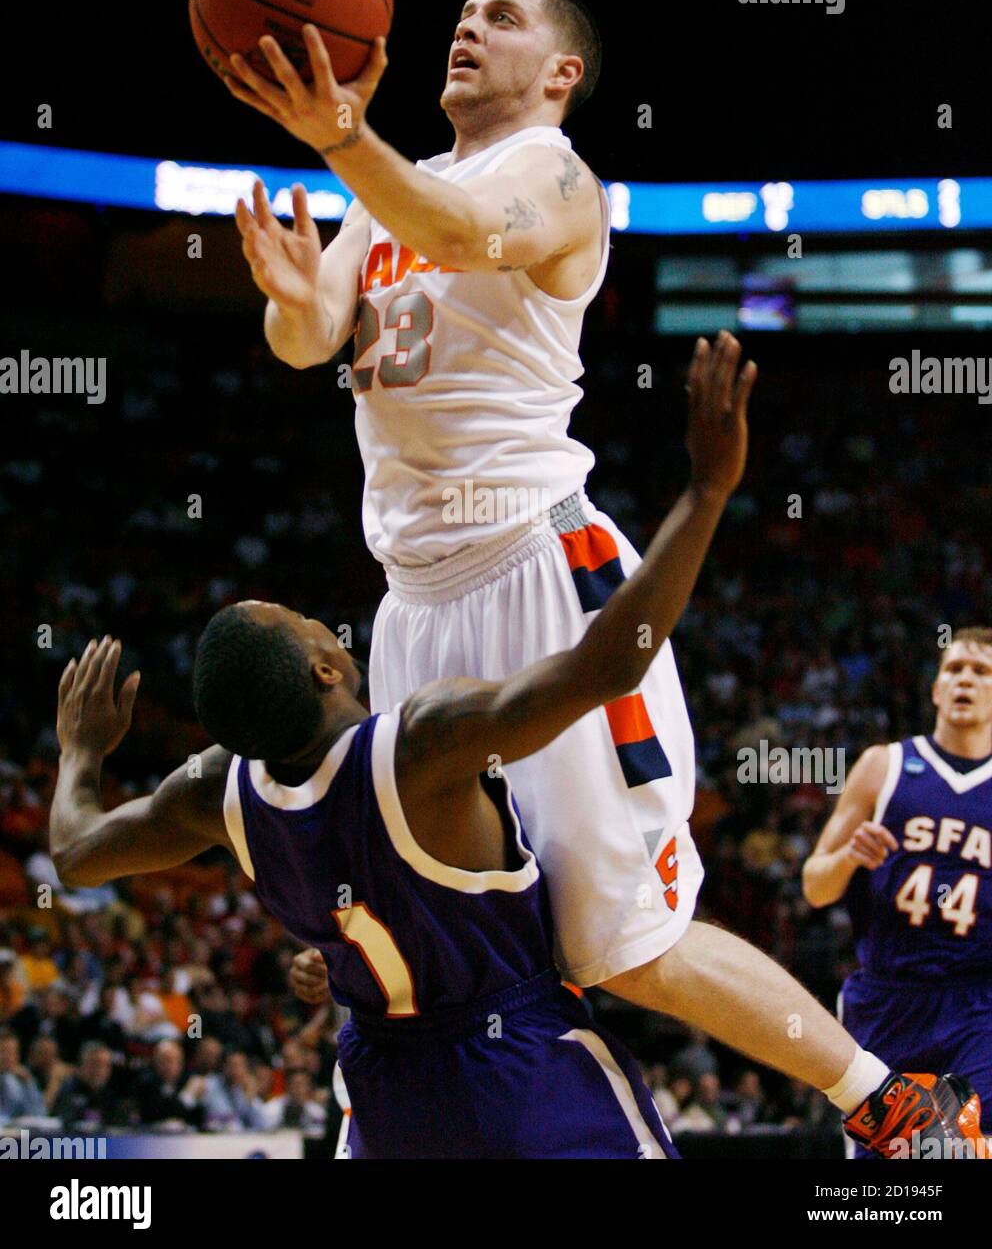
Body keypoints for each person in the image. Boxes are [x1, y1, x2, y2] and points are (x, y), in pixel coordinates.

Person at [226, 0, 956, 1146]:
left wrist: (341, 137)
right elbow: (312, 334)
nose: (466, 24)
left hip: (534, 575)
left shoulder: (553, 177)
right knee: (457, 925)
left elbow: (453, 230)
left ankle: (888, 1100)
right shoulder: (388, 192)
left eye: (501, 16)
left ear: (560, 73)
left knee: (618, 942)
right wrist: (287, 295)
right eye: (462, 10)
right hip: (412, 602)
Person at [48, 342, 981, 1157]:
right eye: (304, 620)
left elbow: (80, 850)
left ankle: (885, 1102)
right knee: (624, 944)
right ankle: (892, 1106)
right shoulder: (419, 744)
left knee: (613, 942)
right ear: (329, 662)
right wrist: (705, 492)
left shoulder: (218, 792)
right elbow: (610, 663)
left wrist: (81, 753)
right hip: (515, 1069)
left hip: (383, 1078)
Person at [804, 629, 992, 1154]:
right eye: (954, 669)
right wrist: (849, 857)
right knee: (890, 1164)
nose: (965, 680)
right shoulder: (883, 767)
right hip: (888, 997)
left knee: (971, 1148)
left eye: (982, 672)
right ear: (935, 689)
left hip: (978, 1000)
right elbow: (815, 886)